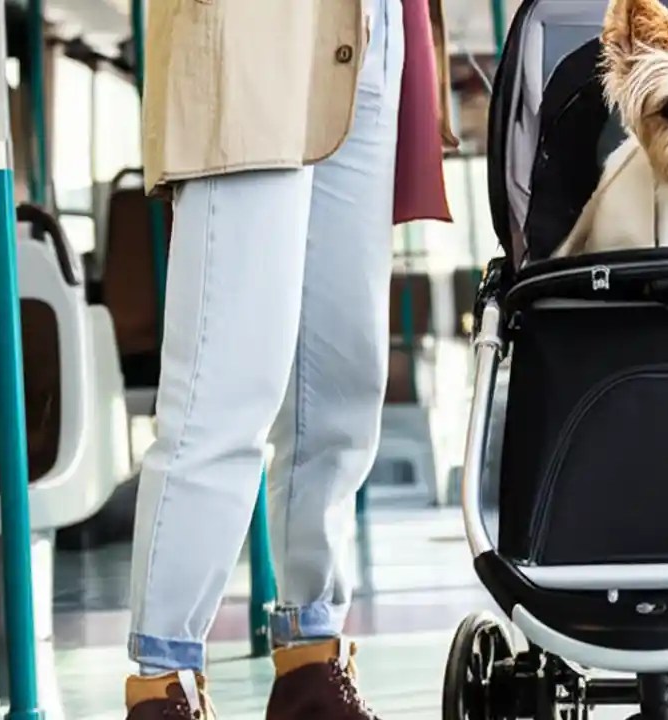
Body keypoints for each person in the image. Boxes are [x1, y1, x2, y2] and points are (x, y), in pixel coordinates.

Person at [123, 0, 456, 717]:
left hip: (375, 30)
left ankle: (311, 656)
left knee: (340, 385)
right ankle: (162, 679)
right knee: (225, 380)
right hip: (258, 28)